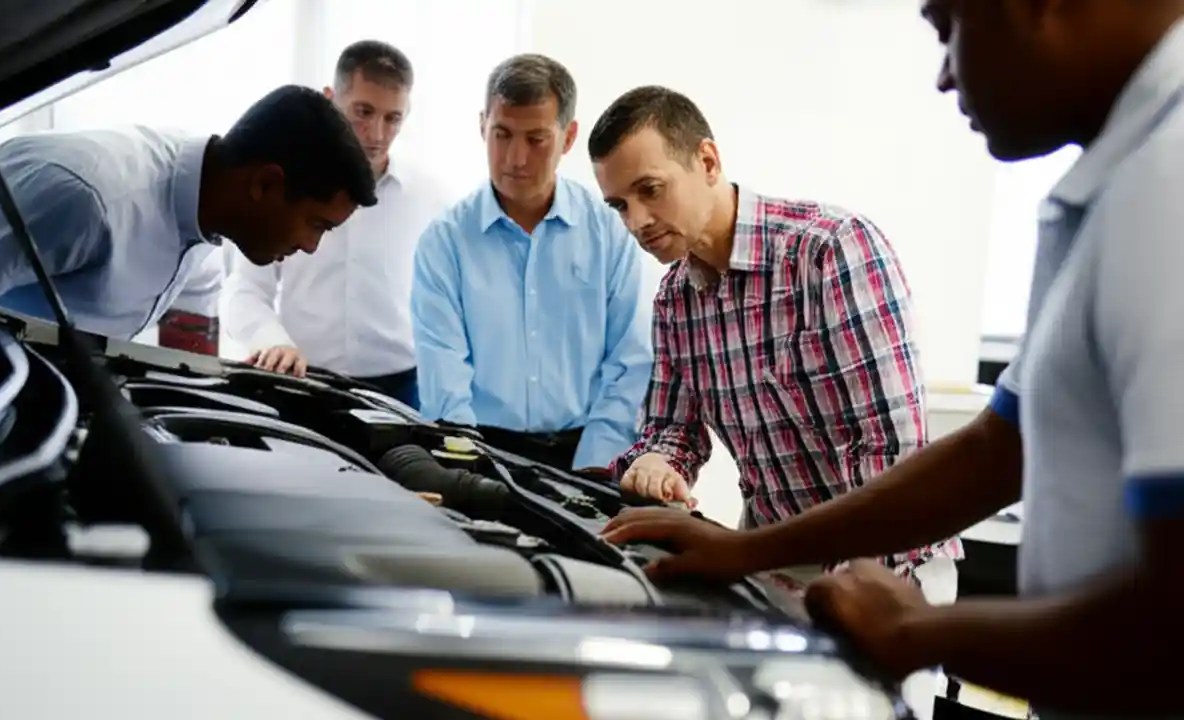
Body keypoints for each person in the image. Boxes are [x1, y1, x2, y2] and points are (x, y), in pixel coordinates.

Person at [601, 2, 1184, 717]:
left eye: (949, 28)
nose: (943, 75)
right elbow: (997, 451)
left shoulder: (1166, 187)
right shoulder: (1113, 189)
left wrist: (907, 624)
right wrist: (745, 551)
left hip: (886, 572)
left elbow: (1171, 615)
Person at [589, 84, 957, 591]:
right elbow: (674, 430)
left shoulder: (830, 251)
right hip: (770, 556)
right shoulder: (675, 299)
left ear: (709, 161)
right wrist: (658, 460)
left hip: (886, 563)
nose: (637, 222)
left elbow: (890, 448)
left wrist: (855, 583)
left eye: (651, 190)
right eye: (619, 206)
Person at [0, 85, 376, 340]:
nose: (311, 247)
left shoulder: (208, 221)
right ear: (266, 184)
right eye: (318, 225)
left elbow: (187, 353)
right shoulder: (84, 197)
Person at [410, 53, 651, 471]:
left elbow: (630, 362)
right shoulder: (444, 242)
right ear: (481, 125)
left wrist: (597, 466)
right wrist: (468, 467)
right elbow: (443, 374)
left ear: (568, 137)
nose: (515, 159)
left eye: (535, 139)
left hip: (588, 451)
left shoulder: (609, 234)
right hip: (479, 449)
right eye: (501, 134)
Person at [221, 41, 448, 406]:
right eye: (364, 111)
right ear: (330, 99)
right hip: (302, 378)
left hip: (406, 391)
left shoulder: (431, 196)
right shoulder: (281, 187)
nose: (377, 135)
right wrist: (271, 340)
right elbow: (244, 288)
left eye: (393, 118)